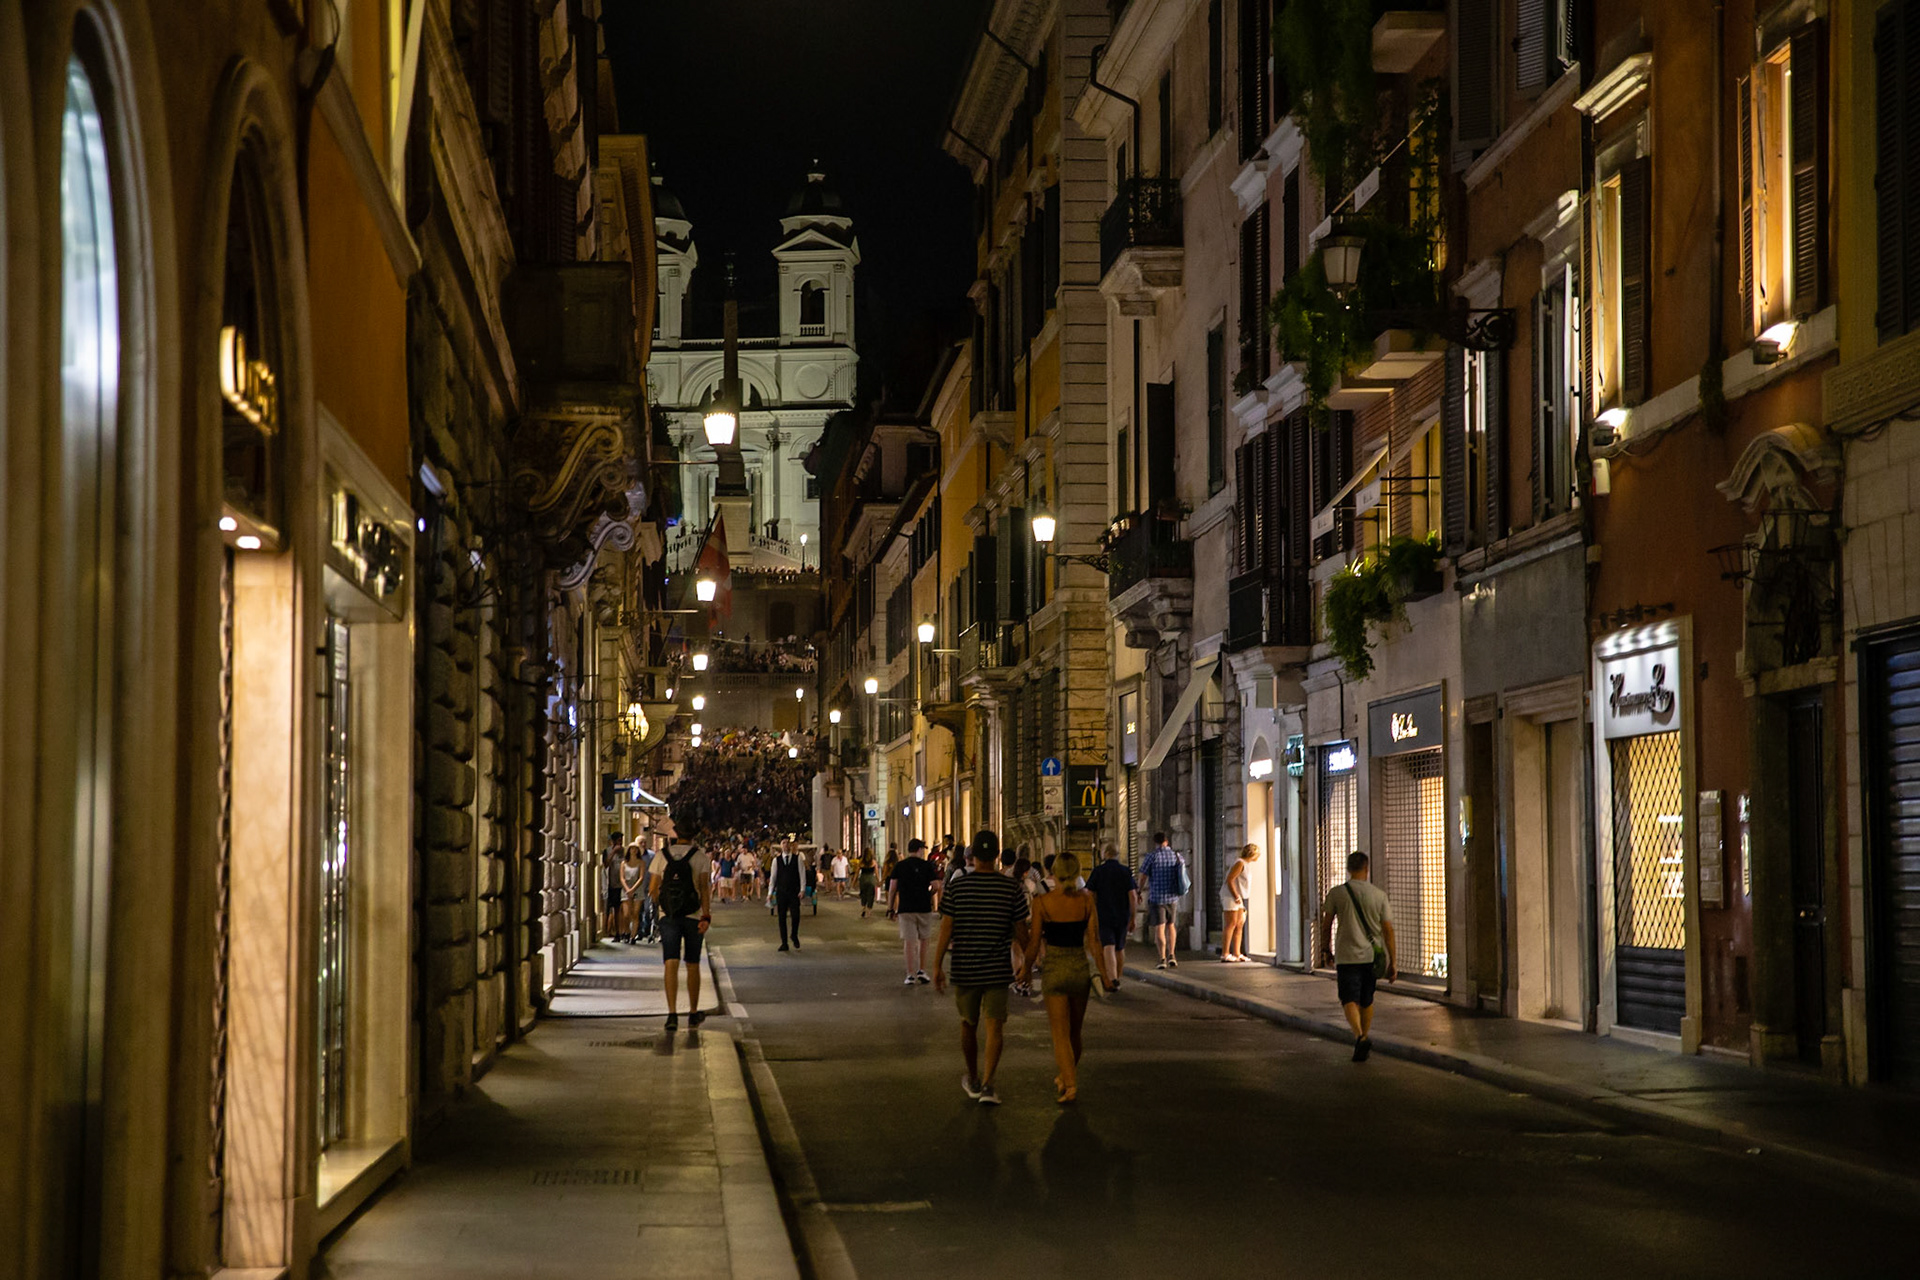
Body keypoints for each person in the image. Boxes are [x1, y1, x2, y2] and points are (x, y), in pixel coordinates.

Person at [931, 830, 1032, 1106]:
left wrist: (937, 965)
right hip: (998, 970)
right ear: (997, 855)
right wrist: (1029, 965)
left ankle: (973, 1077)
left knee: (968, 1024)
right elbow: (1022, 933)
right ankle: (988, 1084)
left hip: (965, 967)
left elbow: (946, 929)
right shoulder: (1011, 888)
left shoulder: (957, 887)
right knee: (995, 1027)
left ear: (972, 856)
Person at [1023, 852, 1102, 1103]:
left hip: (1055, 969)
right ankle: (1066, 1076)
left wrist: (1025, 970)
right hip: (1079, 969)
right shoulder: (1087, 901)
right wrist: (1106, 975)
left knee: (1059, 1033)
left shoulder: (1042, 902)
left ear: (1054, 873)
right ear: (1078, 873)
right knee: (1075, 1033)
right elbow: (1095, 942)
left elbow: (1034, 943)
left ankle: (1070, 1084)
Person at [1319, 850, 1398, 1061]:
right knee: (1366, 999)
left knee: (1348, 998)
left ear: (1348, 869)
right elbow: (1388, 930)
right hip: (1372, 956)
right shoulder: (1379, 895)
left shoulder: (1337, 893)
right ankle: (1364, 1035)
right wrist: (1393, 961)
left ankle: (1359, 1037)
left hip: (1347, 956)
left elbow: (1326, 925)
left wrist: (1325, 949)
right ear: (1367, 868)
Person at [649, 841, 715, 1031]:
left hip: (668, 916)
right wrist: (706, 915)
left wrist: (664, 906)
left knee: (671, 962)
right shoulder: (700, 856)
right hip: (693, 916)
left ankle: (672, 1014)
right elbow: (704, 888)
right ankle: (693, 1012)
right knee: (693, 964)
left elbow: (653, 889)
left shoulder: (662, 856)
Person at [1086, 843, 1138, 992]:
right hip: (1122, 915)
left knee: (1108, 945)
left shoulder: (1098, 871)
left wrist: (1090, 913)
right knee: (1120, 947)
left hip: (1103, 914)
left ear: (1105, 854)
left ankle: (1112, 979)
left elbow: (1089, 894)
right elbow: (1133, 896)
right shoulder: (1125, 871)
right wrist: (1133, 917)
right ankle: (1117, 977)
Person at [889, 838, 940, 985]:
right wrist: (929, 895)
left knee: (909, 942)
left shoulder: (900, 866)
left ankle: (910, 974)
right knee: (924, 939)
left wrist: (891, 908)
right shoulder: (927, 866)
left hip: (906, 908)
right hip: (923, 907)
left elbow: (893, 889)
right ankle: (922, 970)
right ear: (919, 850)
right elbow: (936, 885)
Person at [1137, 833, 1187, 969]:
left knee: (1160, 927)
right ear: (1167, 841)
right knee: (1171, 925)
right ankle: (1172, 955)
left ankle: (1162, 958)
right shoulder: (1176, 856)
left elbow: (1143, 877)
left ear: (1155, 842)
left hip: (1157, 898)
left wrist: (1139, 891)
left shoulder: (1152, 857)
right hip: (1173, 898)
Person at [1221, 843, 1261, 963]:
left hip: (1238, 897)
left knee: (1239, 924)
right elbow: (1230, 880)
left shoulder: (1246, 864)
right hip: (1231, 896)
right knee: (1231, 923)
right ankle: (1225, 953)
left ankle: (1237, 953)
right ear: (1252, 853)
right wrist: (1236, 896)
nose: (1259, 856)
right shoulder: (1240, 863)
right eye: (1257, 853)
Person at [771, 840, 805, 951]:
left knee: (796, 915)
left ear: (790, 846)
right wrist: (770, 892)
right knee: (782, 918)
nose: (786, 845)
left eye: (787, 843)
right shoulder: (776, 860)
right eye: (783, 843)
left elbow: (802, 873)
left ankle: (794, 935)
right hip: (781, 892)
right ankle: (784, 942)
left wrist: (802, 889)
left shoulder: (797, 858)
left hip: (794, 892)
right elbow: (773, 877)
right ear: (781, 846)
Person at [619, 845, 646, 942]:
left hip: (637, 889)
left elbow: (641, 877)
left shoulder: (641, 863)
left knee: (635, 913)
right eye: (632, 849)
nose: (633, 851)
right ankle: (626, 931)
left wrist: (633, 889)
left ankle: (633, 936)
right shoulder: (624, 863)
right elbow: (622, 877)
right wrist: (627, 889)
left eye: (635, 849)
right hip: (626, 889)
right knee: (626, 914)